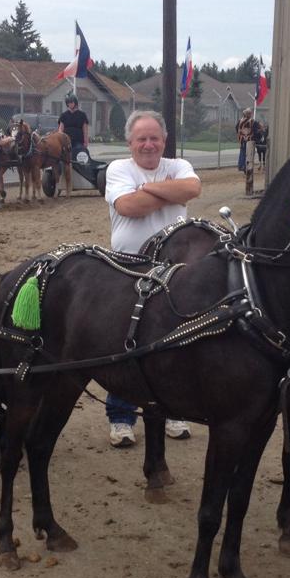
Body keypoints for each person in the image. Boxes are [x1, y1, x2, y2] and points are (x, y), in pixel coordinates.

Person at [102, 110, 202, 447]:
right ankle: (121, 417)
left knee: (179, 342)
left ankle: (175, 411)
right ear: (130, 142)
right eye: (141, 139)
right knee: (126, 343)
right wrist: (170, 192)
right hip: (130, 267)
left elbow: (192, 188)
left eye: (154, 138)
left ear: (164, 140)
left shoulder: (179, 164)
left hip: (175, 269)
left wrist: (146, 189)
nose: (148, 144)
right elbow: (128, 207)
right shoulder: (118, 169)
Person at [235, 108, 254, 172]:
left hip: (242, 139)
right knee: (246, 153)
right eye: (249, 113)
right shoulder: (250, 121)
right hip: (247, 139)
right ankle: (243, 166)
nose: (250, 115)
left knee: (242, 152)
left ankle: (240, 166)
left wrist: (240, 134)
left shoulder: (240, 120)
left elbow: (236, 128)